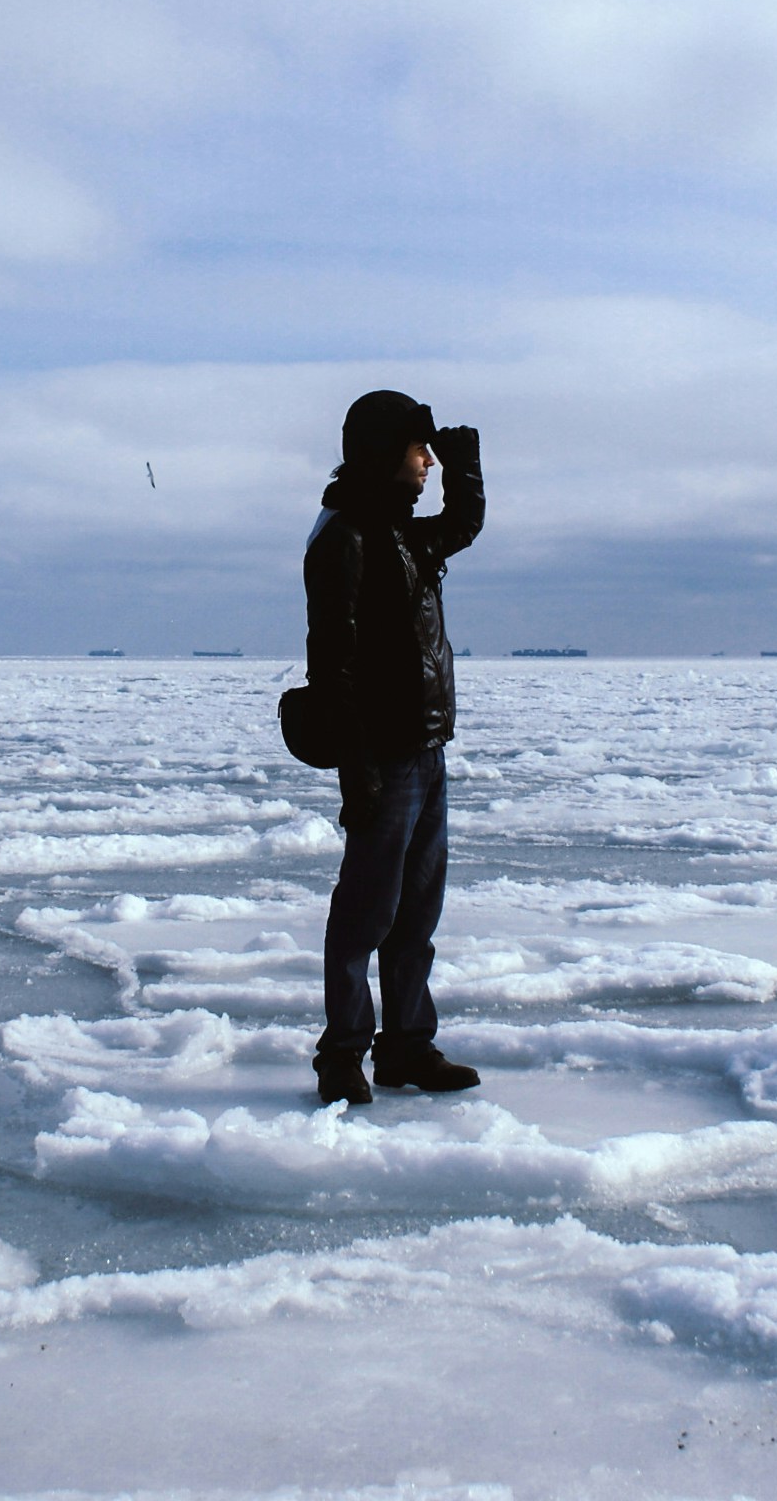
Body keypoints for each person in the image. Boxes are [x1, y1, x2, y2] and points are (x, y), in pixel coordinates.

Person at [302, 389, 486, 1107]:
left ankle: (407, 1047)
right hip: (381, 757)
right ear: (385, 456)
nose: (426, 463)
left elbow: (463, 524)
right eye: (419, 452)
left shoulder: (404, 534)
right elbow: (334, 668)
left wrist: (463, 466)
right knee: (365, 915)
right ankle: (342, 1053)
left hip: (426, 750)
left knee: (415, 915)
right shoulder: (344, 538)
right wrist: (357, 773)